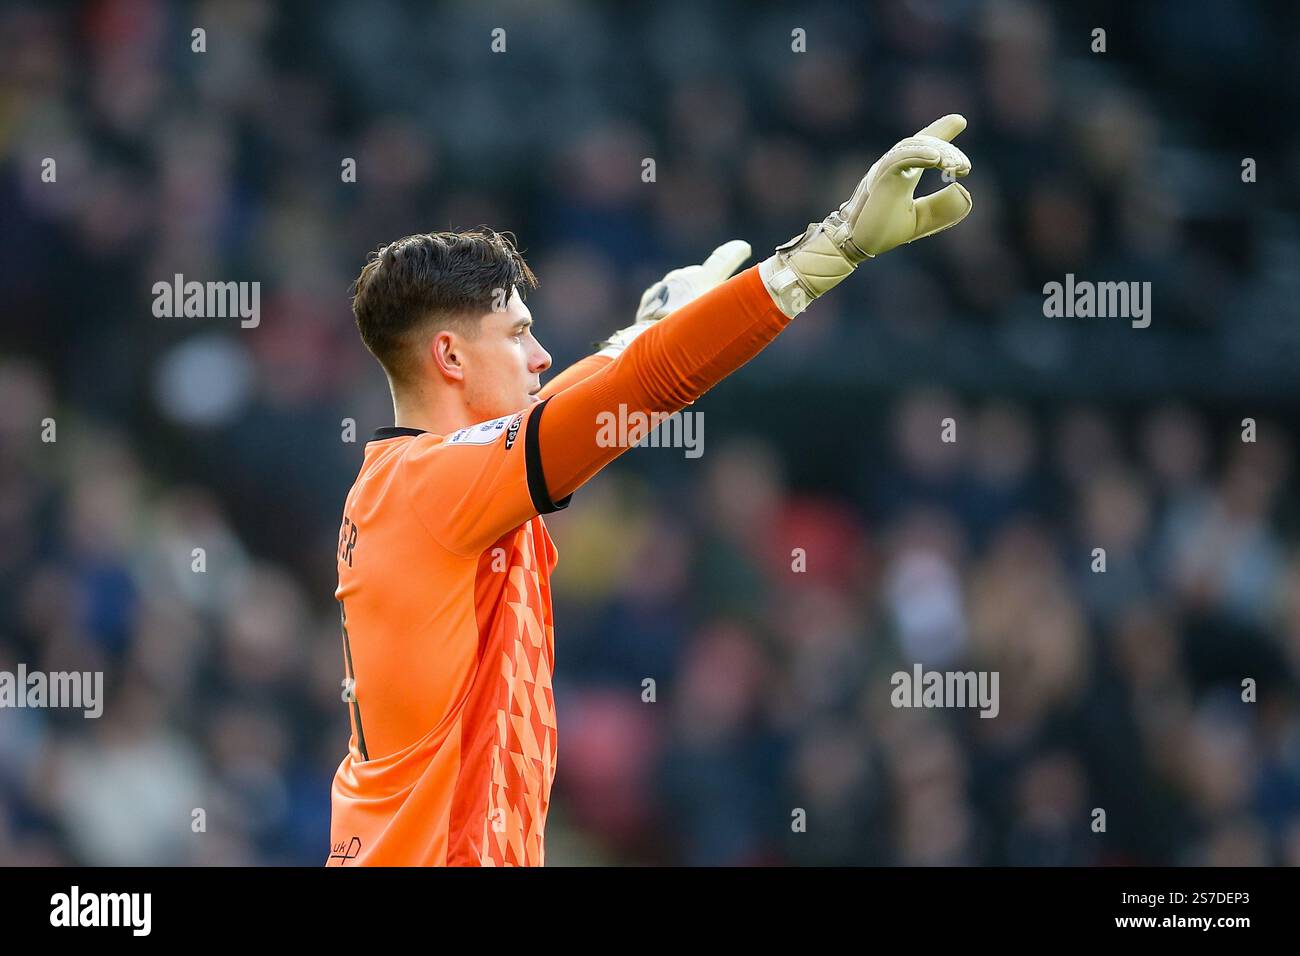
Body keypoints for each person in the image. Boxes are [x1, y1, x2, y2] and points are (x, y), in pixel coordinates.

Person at [326, 115, 975, 866]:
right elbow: (635, 395)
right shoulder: (434, 483)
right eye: (515, 334)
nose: (539, 354)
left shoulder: (417, 482)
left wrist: (642, 330)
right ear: (448, 355)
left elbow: (574, 400)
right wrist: (833, 247)